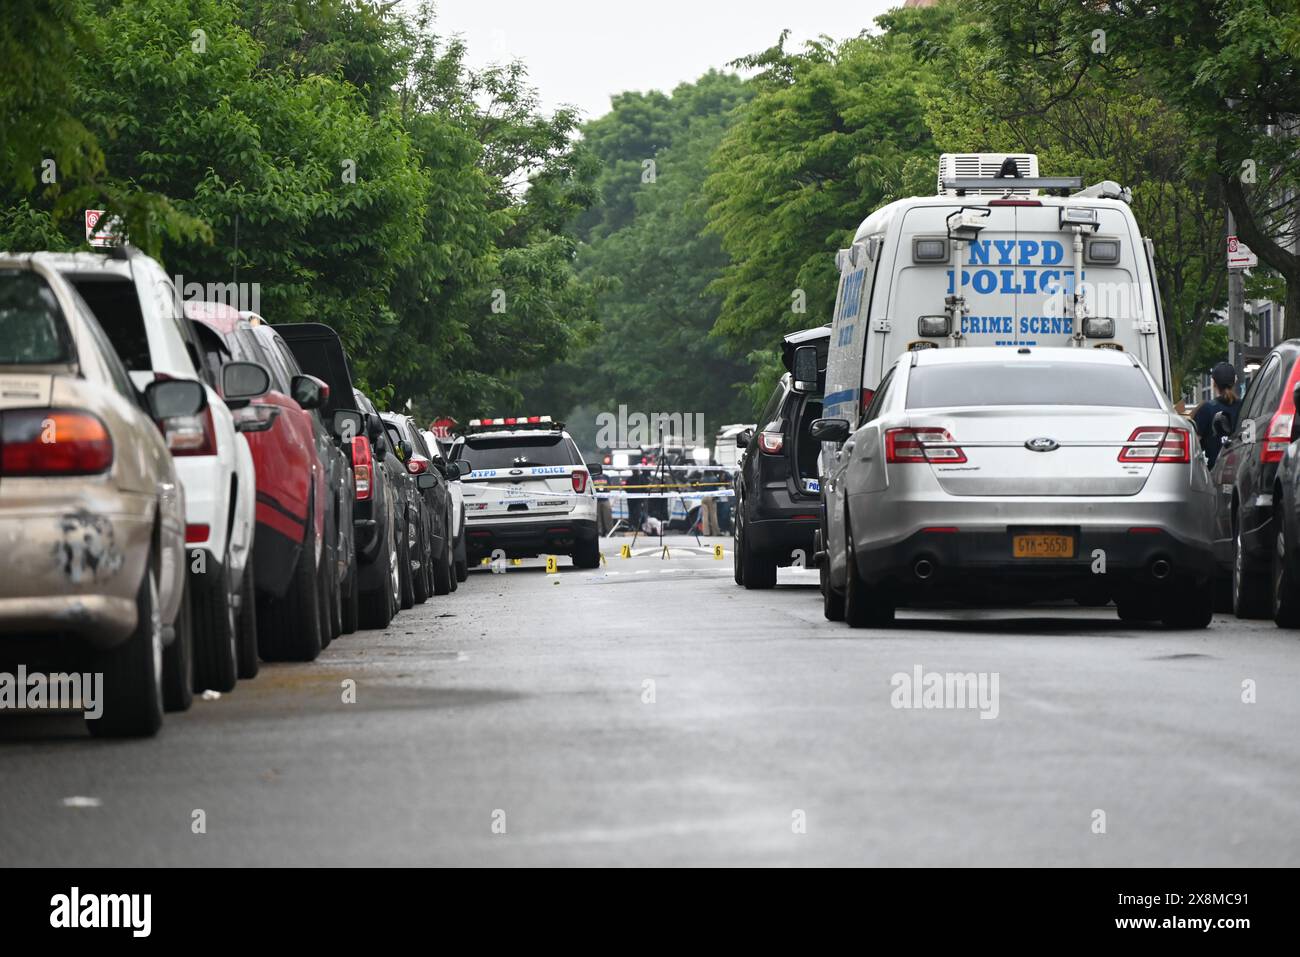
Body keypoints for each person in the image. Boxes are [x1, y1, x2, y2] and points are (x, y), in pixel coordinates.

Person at [1192, 362, 1239, 469]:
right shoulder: (1246, 407)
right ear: (1234, 381)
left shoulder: (1206, 409)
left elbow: (1194, 442)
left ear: (1213, 383)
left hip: (1214, 472)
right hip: (1239, 471)